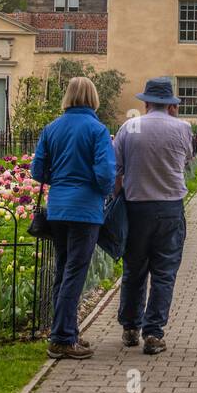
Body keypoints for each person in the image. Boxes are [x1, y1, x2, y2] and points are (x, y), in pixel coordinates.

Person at [32, 76, 116, 360]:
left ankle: (64, 330)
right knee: (75, 273)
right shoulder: (97, 129)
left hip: (58, 208)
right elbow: (105, 173)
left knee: (63, 270)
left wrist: (61, 179)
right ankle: (63, 338)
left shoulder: (51, 128)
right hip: (85, 209)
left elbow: (37, 171)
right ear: (93, 97)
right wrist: (102, 192)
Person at [113, 78, 195, 355]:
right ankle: (153, 332)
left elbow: (117, 168)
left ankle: (130, 326)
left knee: (134, 269)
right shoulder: (183, 127)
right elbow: (185, 160)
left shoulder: (130, 126)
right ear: (171, 105)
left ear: (146, 102)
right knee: (164, 272)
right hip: (170, 206)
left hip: (136, 207)